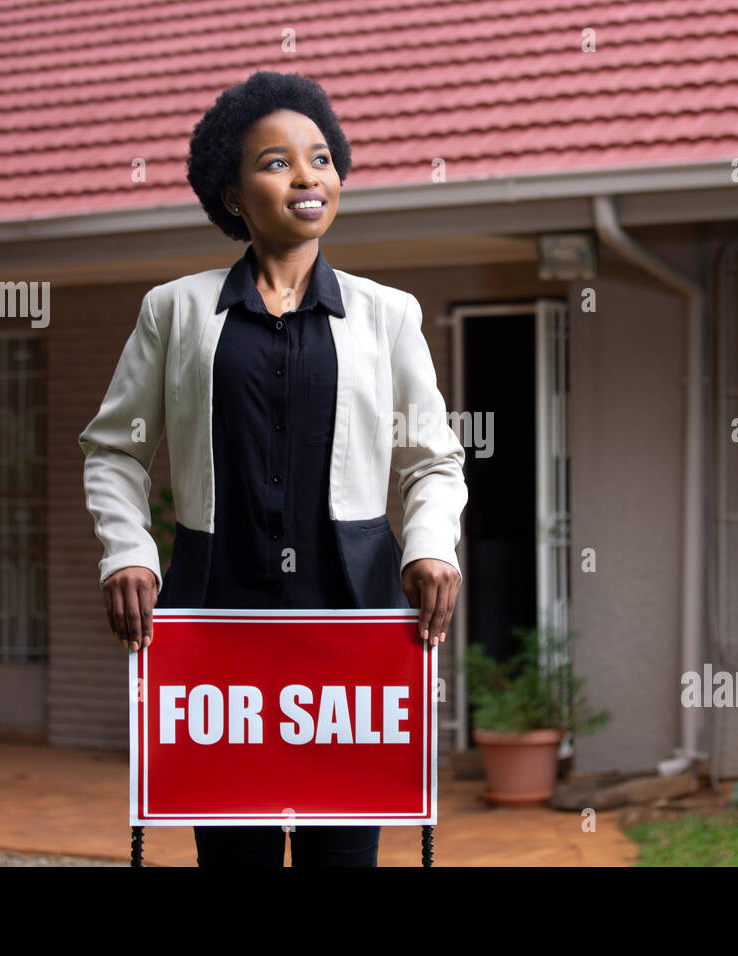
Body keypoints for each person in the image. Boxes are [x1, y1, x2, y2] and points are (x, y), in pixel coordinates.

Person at [78, 71, 468, 867]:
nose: (305, 176)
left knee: (344, 856)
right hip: (217, 624)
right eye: (276, 162)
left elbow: (433, 459)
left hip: (351, 630)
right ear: (231, 194)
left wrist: (431, 544)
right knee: (233, 857)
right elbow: (115, 448)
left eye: (320, 159)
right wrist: (127, 550)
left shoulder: (388, 314)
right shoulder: (174, 311)